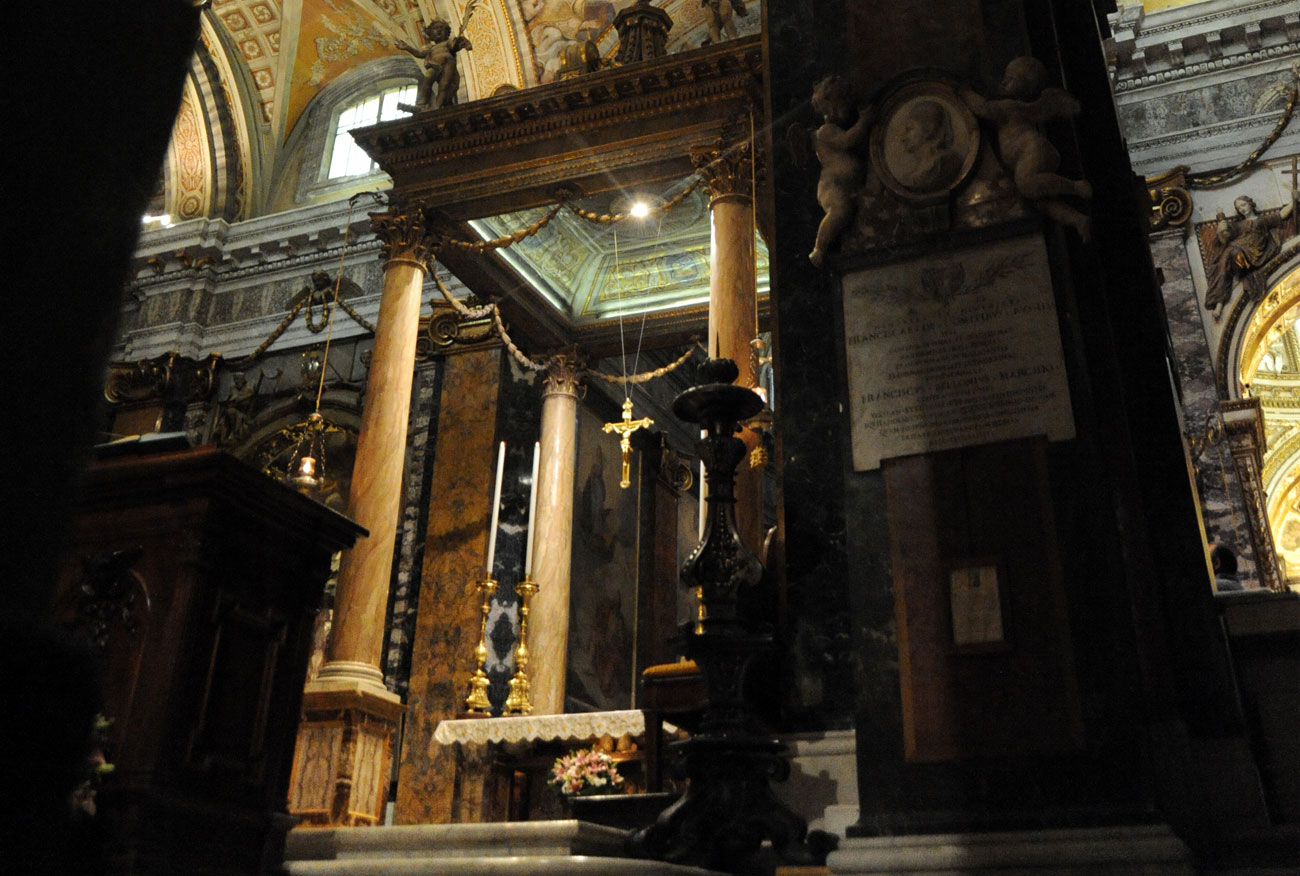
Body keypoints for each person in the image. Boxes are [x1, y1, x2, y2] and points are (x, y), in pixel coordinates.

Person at [960, 57, 1092, 241]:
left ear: (1027, 87)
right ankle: (1077, 219)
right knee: (1041, 202)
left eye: (1010, 79)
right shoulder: (1019, 107)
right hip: (1030, 155)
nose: (1003, 82)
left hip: (1031, 151)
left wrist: (965, 92)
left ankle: (1075, 187)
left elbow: (983, 108)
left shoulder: (1009, 106)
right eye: (1005, 78)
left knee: (1026, 184)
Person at [808, 75, 874, 267]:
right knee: (839, 211)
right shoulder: (825, 132)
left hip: (847, 185)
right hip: (832, 185)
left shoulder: (832, 128)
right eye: (843, 102)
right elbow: (847, 140)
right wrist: (864, 122)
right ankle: (819, 248)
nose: (847, 107)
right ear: (831, 107)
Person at [1204, 193, 1297, 319]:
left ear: (1250, 204)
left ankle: (1223, 299)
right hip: (1238, 252)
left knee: (1230, 255)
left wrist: (1294, 200)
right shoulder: (1238, 225)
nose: (1242, 209)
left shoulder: (1262, 220)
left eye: (1243, 205)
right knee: (1225, 262)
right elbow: (1225, 236)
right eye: (1239, 208)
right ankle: (1219, 304)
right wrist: (1221, 221)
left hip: (1254, 253)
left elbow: (1282, 214)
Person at [396, 18, 471, 110]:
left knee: (444, 85)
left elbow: (455, 46)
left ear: (447, 32)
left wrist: (461, 43)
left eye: (441, 28)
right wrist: (407, 47)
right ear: (430, 34)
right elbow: (420, 54)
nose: (439, 30)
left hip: (448, 65)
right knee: (427, 79)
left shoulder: (447, 42)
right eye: (435, 28)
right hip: (435, 66)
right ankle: (421, 104)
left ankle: (437, 106)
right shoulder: (432, 48)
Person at [890, 99, 964, 191]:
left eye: (910, 129)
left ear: (928, 129)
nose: (903, 138)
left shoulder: (947, 163)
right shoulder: (913, 175)